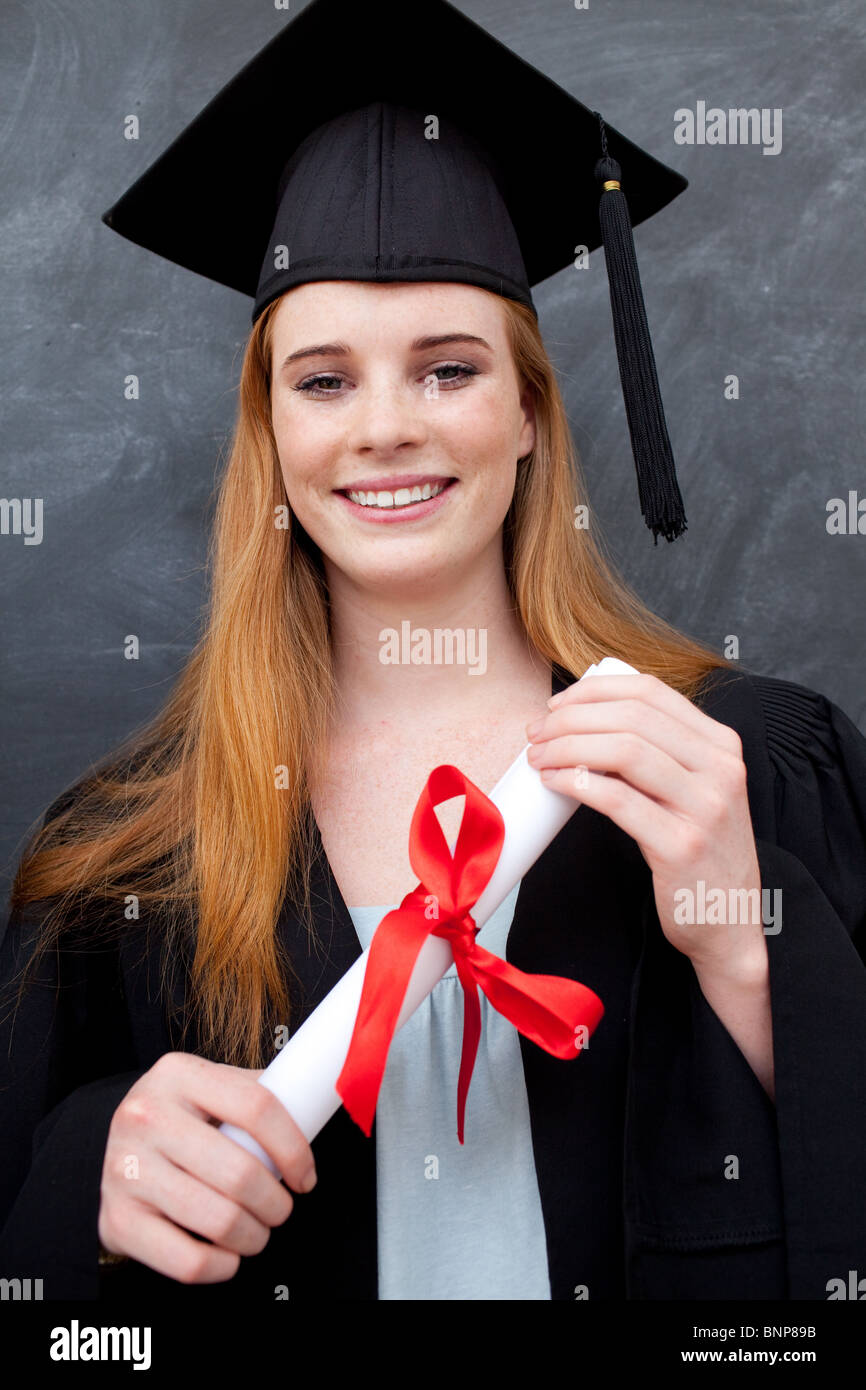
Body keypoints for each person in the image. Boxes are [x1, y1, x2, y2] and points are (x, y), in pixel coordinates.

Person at [2, 0, 865, 1303]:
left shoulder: (750, 767)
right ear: (270, 432)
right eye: (325, 378)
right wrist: (91, 1178)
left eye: (448, 368)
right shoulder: (129, 851)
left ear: (527, 410)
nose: (385, 428)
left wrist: (747, 948)